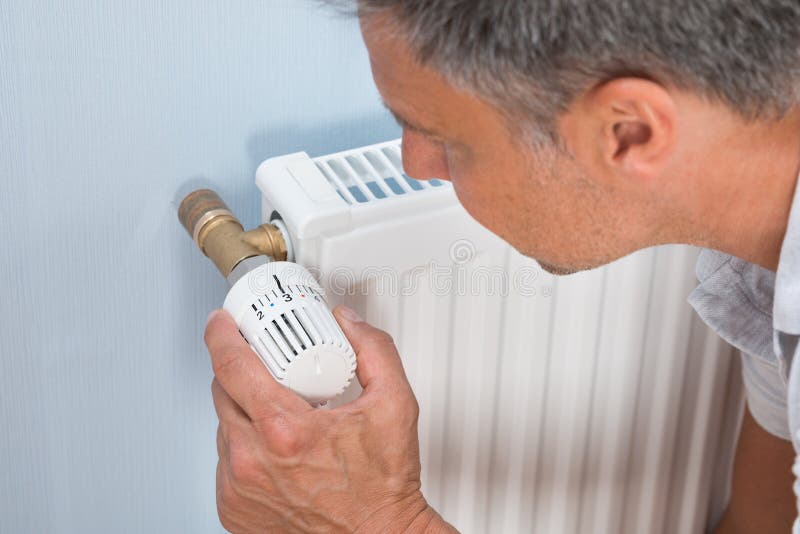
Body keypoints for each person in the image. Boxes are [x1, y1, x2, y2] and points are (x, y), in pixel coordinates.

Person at [203, 1, 800, 532]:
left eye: (447, 139)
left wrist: (378, 523)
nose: (418, 165)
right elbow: (764, 520)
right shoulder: (764, 260)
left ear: (629, 131)